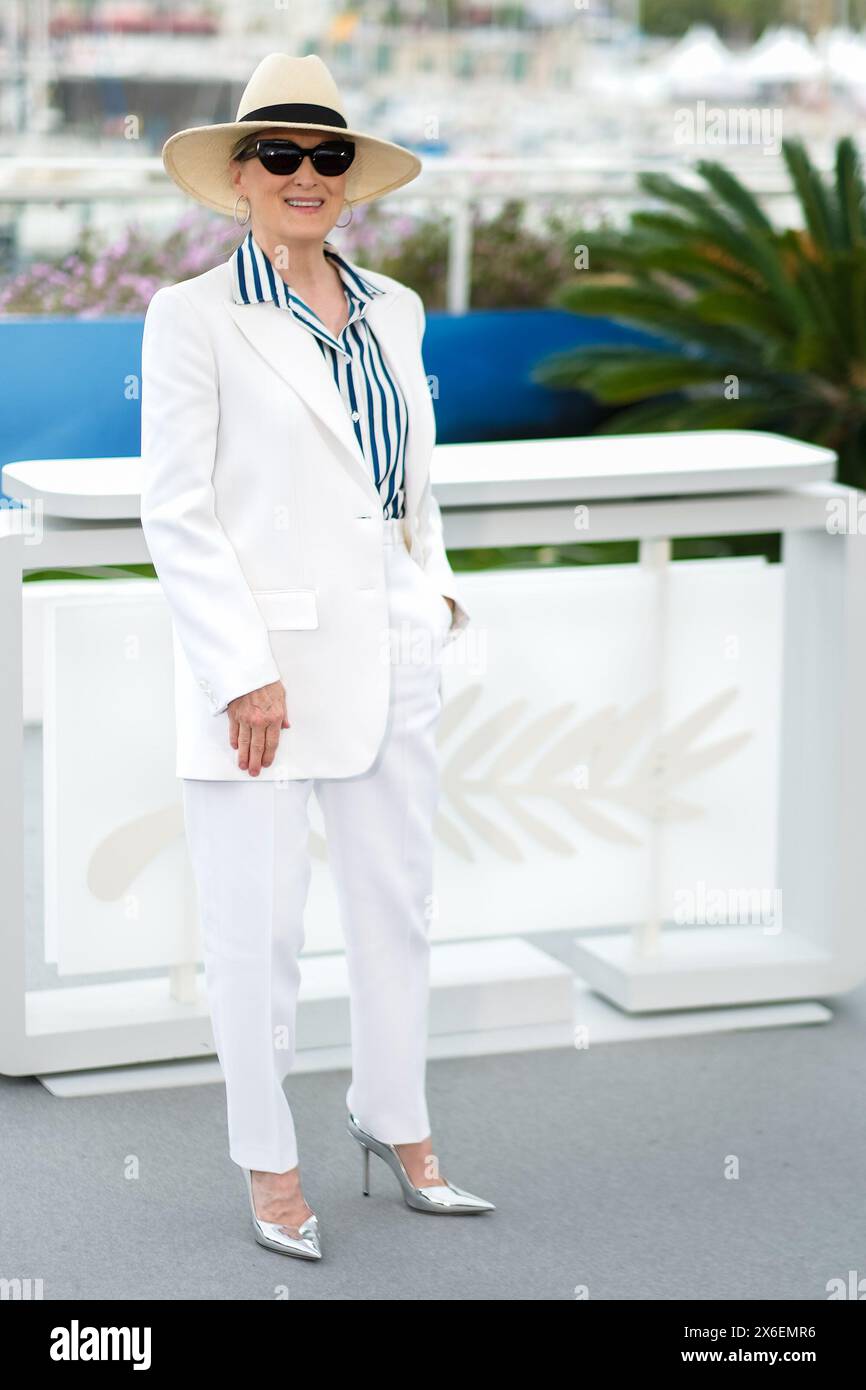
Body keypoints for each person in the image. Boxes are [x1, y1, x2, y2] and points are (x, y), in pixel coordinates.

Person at [140, 52, 494, 1261]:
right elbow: (175, 509)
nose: (306, 174)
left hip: (394, 647)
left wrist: (432, 597)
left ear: (350, 177)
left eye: (327, 154)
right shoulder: (191, 317)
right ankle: (267, 1156)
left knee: (397, 907)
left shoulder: (396, 307)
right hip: (262, 677)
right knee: (259, 929)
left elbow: (408, 484)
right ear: (239, 175)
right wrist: (240, 666)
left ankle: (395, 1120)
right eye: (280, 154)